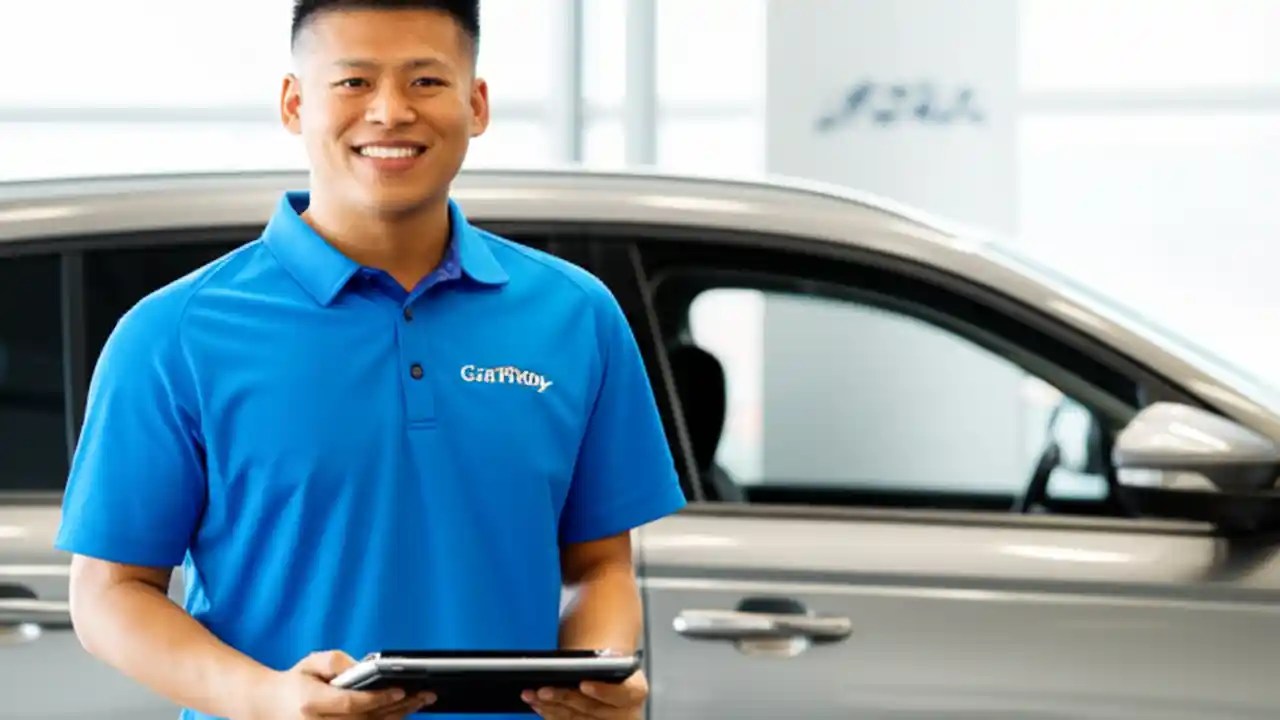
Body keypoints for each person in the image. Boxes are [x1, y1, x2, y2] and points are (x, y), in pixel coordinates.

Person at [53, 2, 686, 719]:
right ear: (295, 104)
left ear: (476, 105)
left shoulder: (576, 316)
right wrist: (265, 698)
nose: (390, 113)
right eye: (353, 82)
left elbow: (597, 565)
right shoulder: (174, 334)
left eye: (425, 82)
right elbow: (107, 592)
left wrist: (596, 671)